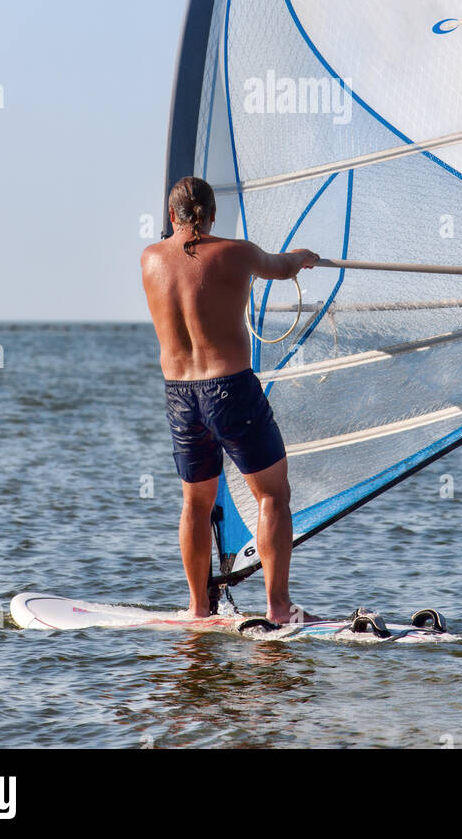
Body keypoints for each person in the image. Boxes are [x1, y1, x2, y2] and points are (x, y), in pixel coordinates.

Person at [140, 175, 318, 623]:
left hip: (180, 396)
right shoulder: (237, 253)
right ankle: (277, 607)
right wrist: (302, 257)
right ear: (213, 214)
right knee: (272, 495)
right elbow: (281, 267)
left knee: (195, 504)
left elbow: (182, 258)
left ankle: (199, 607)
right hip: (229, 389)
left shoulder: (149, 260)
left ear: (170, 215)